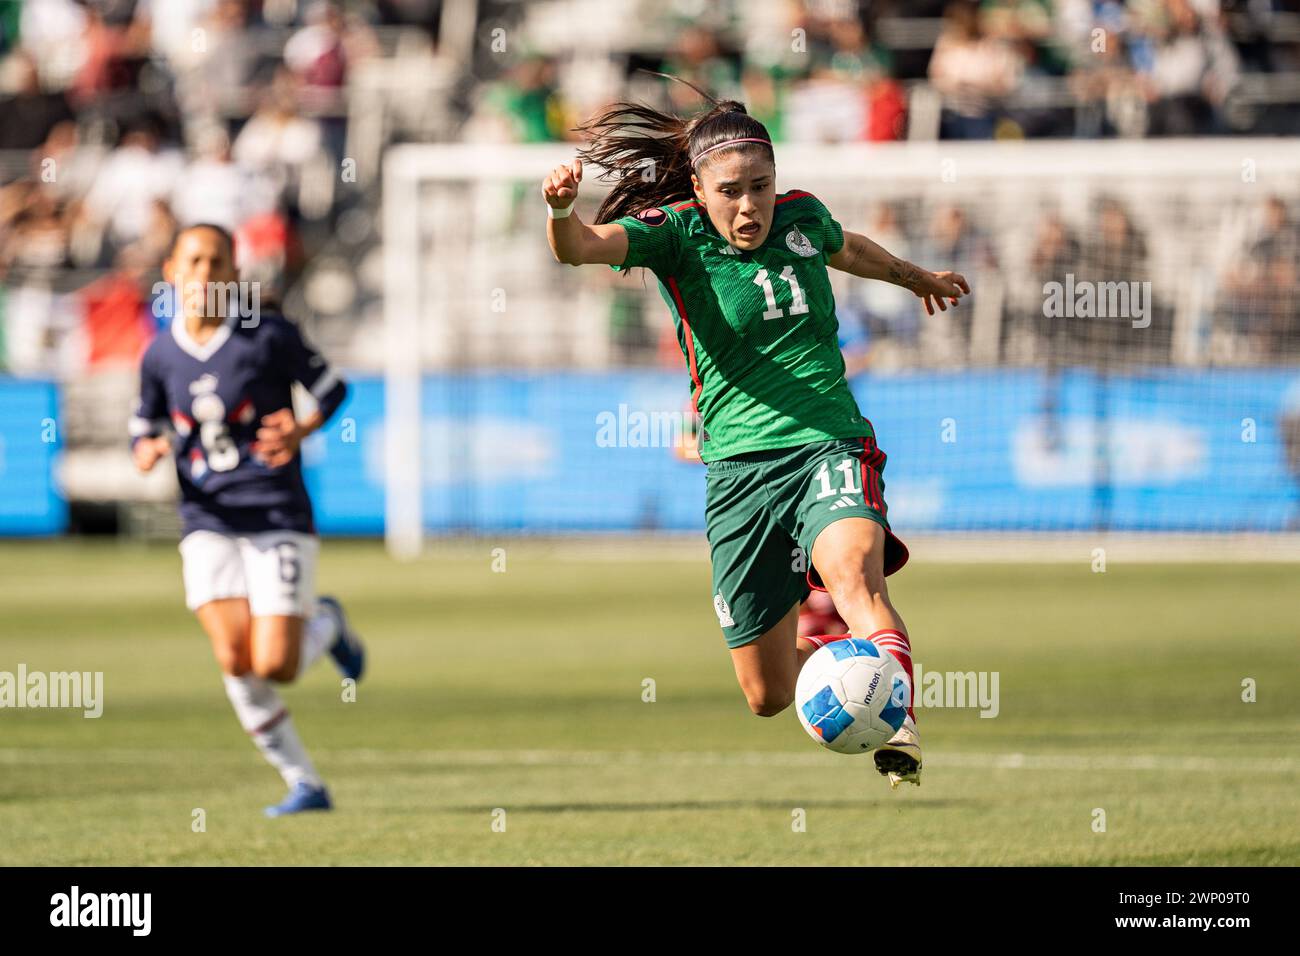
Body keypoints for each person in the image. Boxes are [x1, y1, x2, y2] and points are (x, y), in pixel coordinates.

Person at [543, 77, 968, 788]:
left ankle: (898, 718)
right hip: (739, 475)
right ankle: (847, 682)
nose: (750, 206)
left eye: (762, 187)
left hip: (829, 444)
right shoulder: (672, 236)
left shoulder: (805, 218)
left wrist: (914, 275)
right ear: (700, 192)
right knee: (767, 695)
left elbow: (851, 249)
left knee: (855, 584)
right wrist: (560, 212)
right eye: (732, 191)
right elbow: (579, 248)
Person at [130, 223, 364, 815]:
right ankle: (303, 782)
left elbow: (334, 390)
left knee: (275, 665)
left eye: (216, 263)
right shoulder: (158, 353)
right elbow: (144, 421)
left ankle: (329, 626)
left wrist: (302, 426)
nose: (204, 274)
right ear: (172, 273)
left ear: (233, 275)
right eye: (193, 262)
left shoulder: (266, 334)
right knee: (234, 658)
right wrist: (147, 448)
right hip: (206, 518)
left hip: (276, 511)